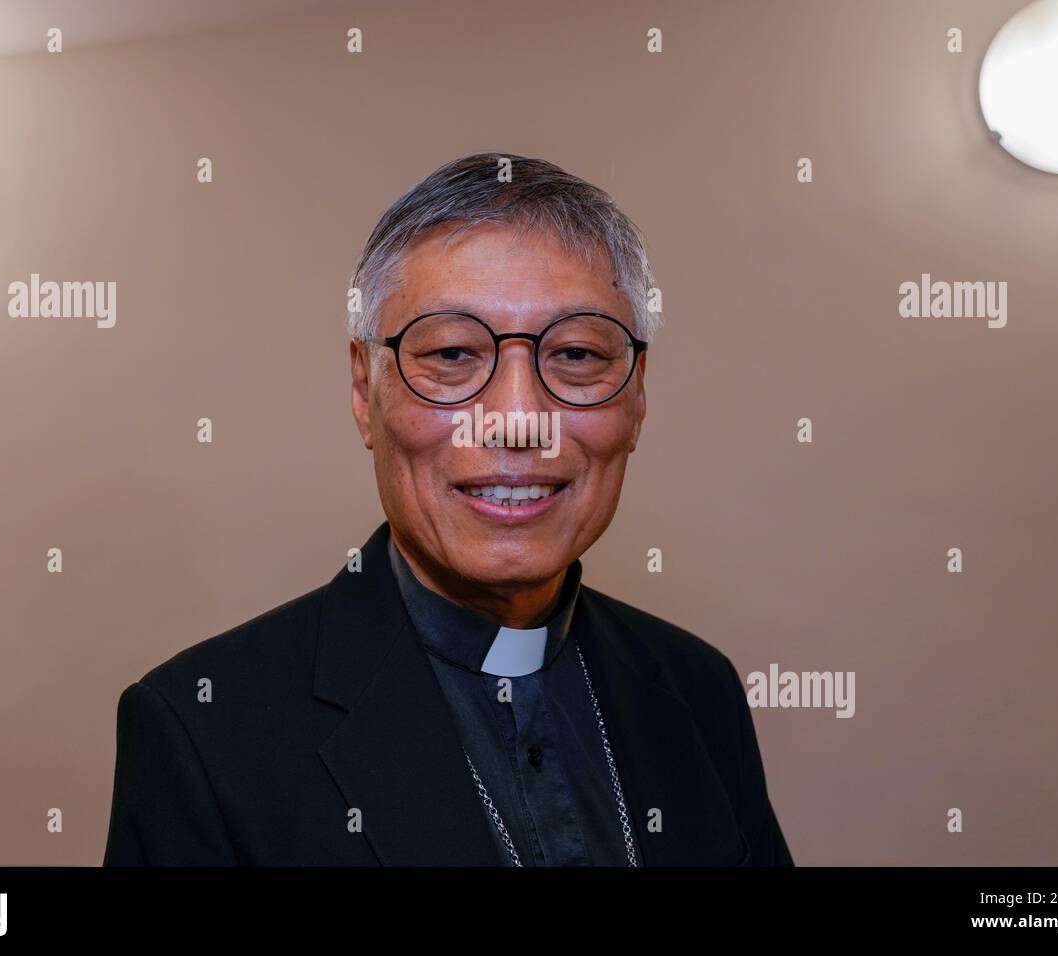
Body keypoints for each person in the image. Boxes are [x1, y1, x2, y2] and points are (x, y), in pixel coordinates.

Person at [103, 152, 793, 866]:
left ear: (637, 396)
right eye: (455, 354)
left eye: (579, 355)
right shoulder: (205, 727)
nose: (520, 420)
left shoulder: (695, 685)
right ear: (364, 391)